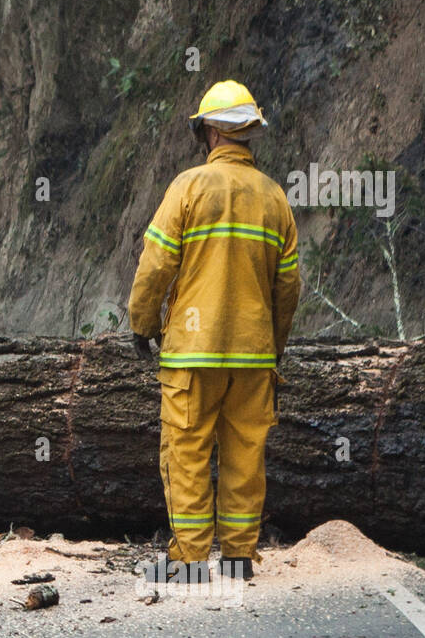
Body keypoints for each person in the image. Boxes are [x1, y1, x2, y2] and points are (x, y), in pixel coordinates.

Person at [127, 81, 300, 584]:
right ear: (248, 133)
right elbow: (288, 289)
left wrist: (142, 324)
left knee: (187, 452)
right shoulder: (274, 198)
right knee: (246, 453)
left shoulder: (188, 188)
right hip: (253, 355)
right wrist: (273, 348)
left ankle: (189, 563)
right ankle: (239, 559)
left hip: (192, 354)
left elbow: (156, 263)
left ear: (208, 131)